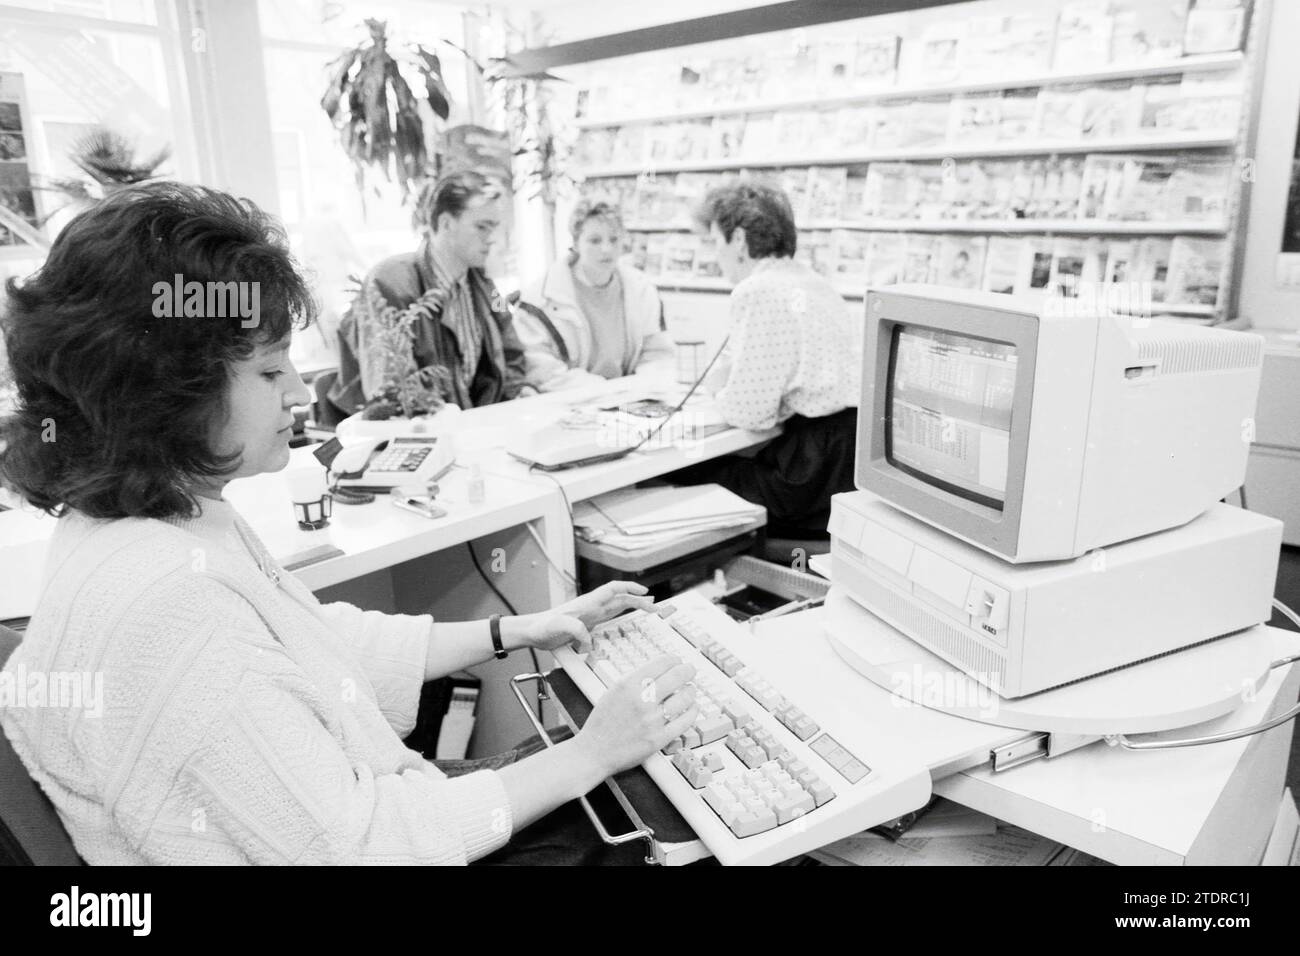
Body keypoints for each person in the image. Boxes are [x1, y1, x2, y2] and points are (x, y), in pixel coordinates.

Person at [0, 182, 698, 865]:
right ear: (165, 395)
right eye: (273, 372)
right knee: (649, 810)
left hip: (357, 822)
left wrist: (511, 630)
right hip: (369, 843)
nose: (304, 395)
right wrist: (593, 751)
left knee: (623, 782)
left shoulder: (144, 517)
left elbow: (306, 647)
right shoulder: (173, 608)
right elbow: (361, 848)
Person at [669, 182, 861, 539]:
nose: (716, 256)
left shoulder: (758, 290)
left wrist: (717, 390)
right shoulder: (814, 282)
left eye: (715, 242)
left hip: (808, 476)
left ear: (738, 240)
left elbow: (749, 413)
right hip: (845, 465)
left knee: (678, 473)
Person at [329, 171, 530, 415]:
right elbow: (390, 386)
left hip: (475, 424)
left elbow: (510, 343)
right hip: (415, 431)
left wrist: (519, 390)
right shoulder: (388, 283)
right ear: (445, 223)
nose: (493, 239)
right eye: (482, 227)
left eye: (494, 228)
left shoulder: (485, 285)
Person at [514, 200, 672, 392]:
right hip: (570, 402)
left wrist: (643, 388)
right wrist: (603, 391)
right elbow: (542, 368)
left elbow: (656, 353)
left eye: (614, 239)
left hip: (630, 402)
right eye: (595, 241)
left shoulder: (641, 290)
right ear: (575, 243)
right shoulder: (539, 299)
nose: (606, 249)